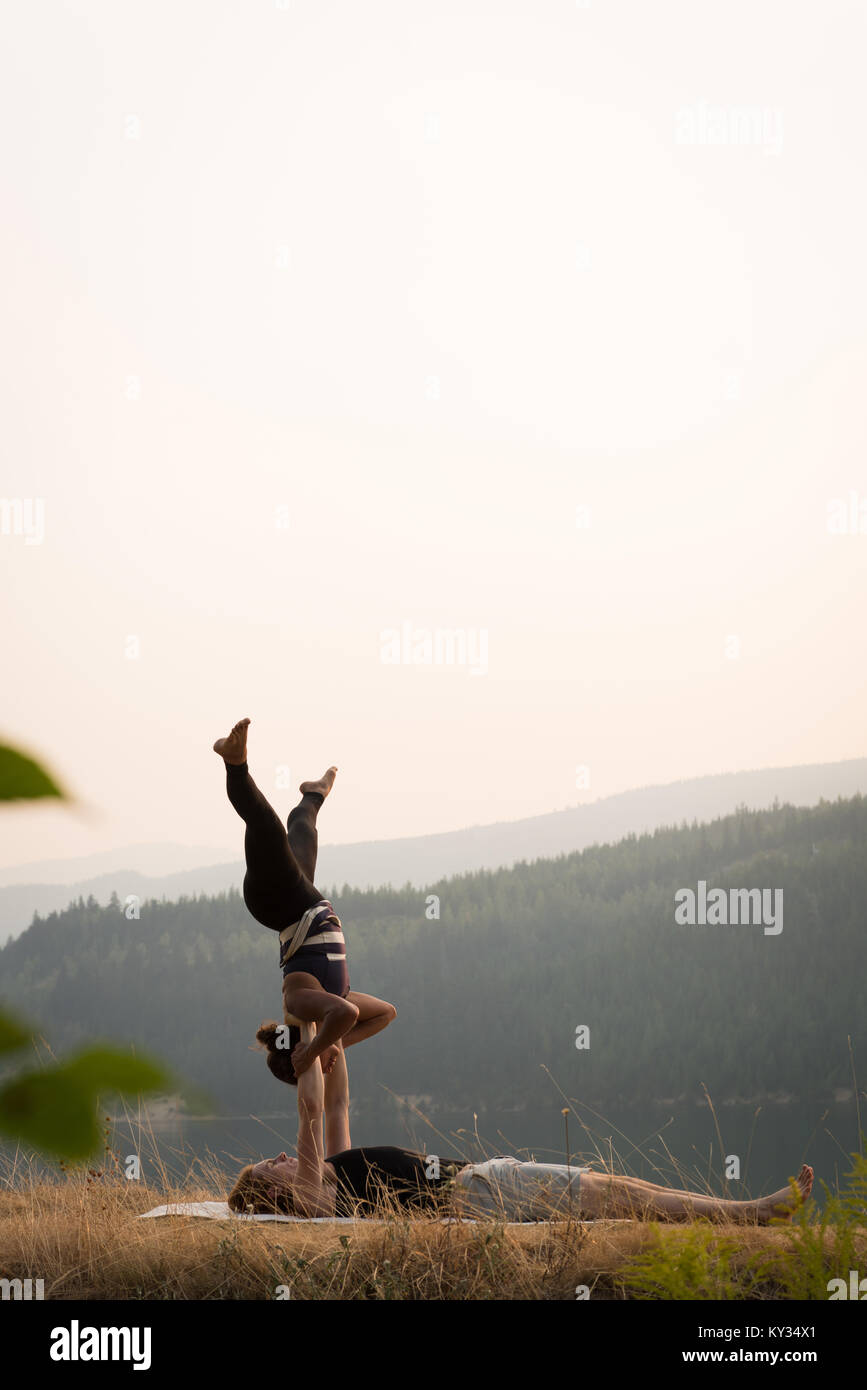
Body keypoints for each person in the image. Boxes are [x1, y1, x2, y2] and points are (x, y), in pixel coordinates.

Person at [227, 1037, 815, 1223]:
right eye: (269, 1165)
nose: (281, 1156)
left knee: (619, 1192)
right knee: (617, 1194)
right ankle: (754, 1213)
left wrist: (334, 1040)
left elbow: (333, 1108)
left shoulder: (332, 1173)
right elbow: (308, 1113)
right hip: (482, 1193)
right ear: (278, 1193)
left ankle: (748, 1211)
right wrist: (302, 1033)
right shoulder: (310, 1195)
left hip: (483, 1187)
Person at [214, 717, 395, 1081]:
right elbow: (384, 1013)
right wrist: (330, 1044)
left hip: (278, 904)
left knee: (266, 828)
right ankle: (313, 794)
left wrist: (313, 1050)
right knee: (301, 834)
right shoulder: (334, 1005)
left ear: (296, 1050)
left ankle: (235, 764)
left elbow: (346, 1015)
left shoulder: (297, 1005)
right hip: (304, 902)